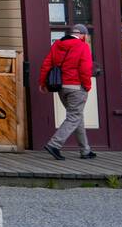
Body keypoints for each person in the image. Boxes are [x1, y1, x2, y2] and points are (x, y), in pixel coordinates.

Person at [39, 23, 96, 160]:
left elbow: (46, 64)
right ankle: (54, 144)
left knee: (77, 116)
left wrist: (42, 83)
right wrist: (87, 86)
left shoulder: (57, 45)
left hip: (61, 88)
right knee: (74, 117)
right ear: (82, 35)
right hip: (76, 87)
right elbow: (85, 69)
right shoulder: (82, 46)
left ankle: (85, 150)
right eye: (86, 35)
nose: (86, 38)